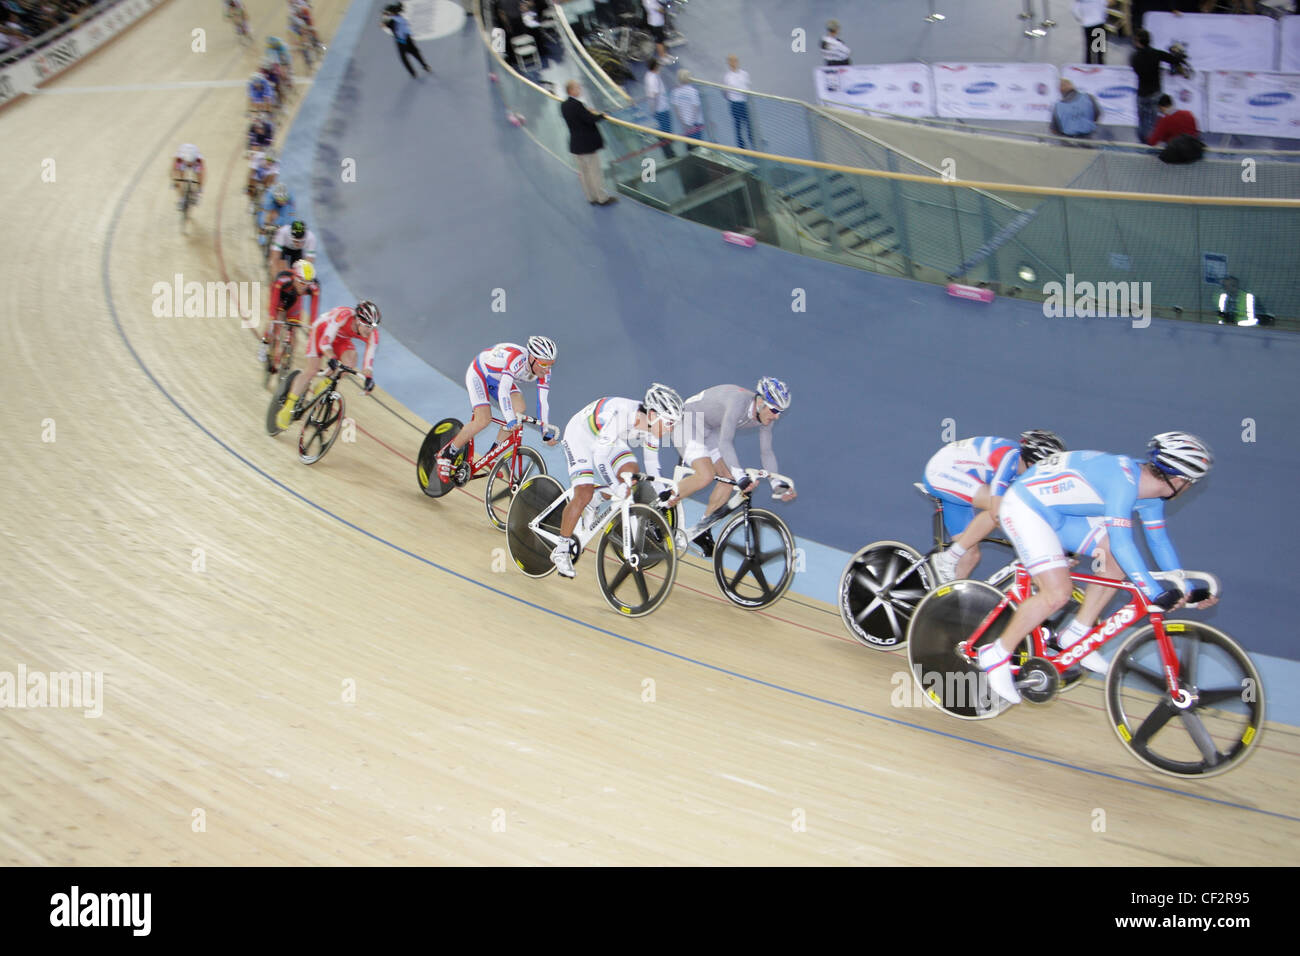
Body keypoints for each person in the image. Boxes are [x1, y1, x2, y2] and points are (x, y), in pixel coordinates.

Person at [980, 433, 1216, 705]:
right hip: (1024, 508)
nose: (1190, 488)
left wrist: (1183, 586)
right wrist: (1153, 592)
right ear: (1179, 480)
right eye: (1192, 483)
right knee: (1057, 593)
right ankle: (996, 654)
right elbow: (1122, 542)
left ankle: (1076, 634)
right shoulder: (1124, 484)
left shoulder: (1150, 494)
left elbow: (1159, 541)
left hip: (1059, 514)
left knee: (1114, 561)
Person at [644, 378, 795, 556]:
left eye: (780, 412)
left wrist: (776, 484)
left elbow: (767, 452)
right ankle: (655, 513)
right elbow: (725, 443)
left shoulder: (765, 416)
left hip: (710, 430)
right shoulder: (738, 402)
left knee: (728, 479)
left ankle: (702, 529)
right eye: (775, 410)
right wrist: (741, 477)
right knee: (706, 475)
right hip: (688, 421)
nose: (777, 416)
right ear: (761, 402)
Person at [550, 384, 685, 578]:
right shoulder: (621, 416)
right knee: (584, 492)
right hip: (580, 436)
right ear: (654, 415)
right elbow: (599, 458)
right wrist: (614, 486)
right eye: (670, 422)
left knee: (631, 474)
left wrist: (662, 493)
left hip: (605, 438)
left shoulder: (653, 428)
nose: (672, 428)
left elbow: (652, 464)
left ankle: (596, 501)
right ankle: (561, 550)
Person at [923, 431, 1067, 584]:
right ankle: (946, 559)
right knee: (1001, 508)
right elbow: (998, 510)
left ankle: (941, 599)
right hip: (942, 471)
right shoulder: (1010, 458)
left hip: (962, 479)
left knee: (970, 555)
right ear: (1031, 462)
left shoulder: (1029, 471)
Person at [435, 337, 561, 483]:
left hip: (499, 378)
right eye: (544, 364)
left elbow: (543, 402)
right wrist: (509, 419)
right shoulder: (517, 360)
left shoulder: (545, 372)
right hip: (480, 373)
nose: (547, 369)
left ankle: (492, 454)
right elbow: (504, 391)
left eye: (551, 365)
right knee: (483, 419)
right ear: (532, 358)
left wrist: (545, 431)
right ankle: (446, 454)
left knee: (519, 410)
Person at [275, 301, 381, 430]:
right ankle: (288, 407)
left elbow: (368, 362)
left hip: (341, 338)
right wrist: (332, 357)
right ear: (358, 320)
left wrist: (368, 378)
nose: (370, 330)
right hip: (322, 331)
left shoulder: (373, 334)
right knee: (312, 370)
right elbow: (325, 343)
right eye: (367, 326)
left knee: (350, 363)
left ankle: (323, 385)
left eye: (373, 327)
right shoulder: (343, 316)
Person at [257, 259, 321, 372]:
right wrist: (272, 317)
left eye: (308, 283)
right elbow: (273, 302)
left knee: (294, 330)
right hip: (280, 299)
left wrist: (312, 326)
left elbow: (314, 309)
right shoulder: (282, 279)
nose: (304, 287)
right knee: (274, 322)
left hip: (294, 302)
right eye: (302, 282)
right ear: (295, 277)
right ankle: (264, 344)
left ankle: (286, 359)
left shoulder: (314, 287)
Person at [561, 81, 617, 205]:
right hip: (587, 145)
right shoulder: (578, 105)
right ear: (571, 91)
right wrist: (602, 115)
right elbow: (590, 120)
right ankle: (602, 198)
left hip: (576, 145)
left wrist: (587, 111)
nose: (579, 89)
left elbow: (579, 118)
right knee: (595, 172)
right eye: (577, 88)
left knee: (585, 173)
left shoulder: (564, 105)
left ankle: (591, 197)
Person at [1130, 29, 1188, 145]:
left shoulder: (1134, 57)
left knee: (1141, 122)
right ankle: (1152, 144)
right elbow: (1175, 59)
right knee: (1153, 123)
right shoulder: (1156, 54)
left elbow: (1136, 69)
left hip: (1141, 94)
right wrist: (1177, 52)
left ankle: (1142, 144)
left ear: (1138, 41)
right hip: (1155, 93)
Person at [1148, 93, 1203, 163]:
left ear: (1161, 107)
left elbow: (1152, 142)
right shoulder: (1188, 114)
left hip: (1177, 156)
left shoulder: (1165, 120)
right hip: (1194, 153)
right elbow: (1195, 133)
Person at [382, 2, 431, 77]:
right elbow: (385, 24)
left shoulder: (397, 20)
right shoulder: (396, 21)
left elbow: (387, 23)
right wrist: (385, 17)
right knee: (410, 55)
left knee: (410, 55)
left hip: (404, 40)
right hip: (404, 40)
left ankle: (419, 69)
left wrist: (386, 15)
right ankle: (419, 69)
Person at [644, 59, 675, 159]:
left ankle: (669, 150)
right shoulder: (653, 78)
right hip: (661, 109)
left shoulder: (650, 76)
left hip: (660, 108)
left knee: (665, 131)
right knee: (665, 132)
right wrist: (654, 110)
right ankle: (669, 154)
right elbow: (654, 95)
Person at [722, 55, 755, 150]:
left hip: (744, 103)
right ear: (729, 63)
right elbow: (725, 91)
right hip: (735, 104)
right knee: (738, 125)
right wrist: (731, 99)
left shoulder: (744, 74)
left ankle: (753, 140)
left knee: (749, 123)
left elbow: (747, 86)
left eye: (735, 61)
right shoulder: (727, 77)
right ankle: (741, 145)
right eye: (731, 61)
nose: (733, 63)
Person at [257, 182, 296, 257]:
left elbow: (291, 215)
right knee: (269, 216)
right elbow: (263, 214)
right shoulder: (269, 198)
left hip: (285, 207)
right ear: (275, 198)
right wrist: (263, 227)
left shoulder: (290, 199)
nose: (282, 202)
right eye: (280, 200)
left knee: (285, 219)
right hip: (272, 205)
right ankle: (262, 234)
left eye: (284, 200)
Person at [670, 69, 705, 142]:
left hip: (684, 122)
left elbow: (677, 110)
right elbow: (696, 108)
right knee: (698, 144)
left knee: (688, 142)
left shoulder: (675, 92)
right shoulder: (693, 91)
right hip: (695, 123)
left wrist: (683, 123)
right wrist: (692, 123)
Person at [1072, 0, 1108, 64]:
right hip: (1099, 24)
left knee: (1088, 49)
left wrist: (1083, 21)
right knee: (1100, 51)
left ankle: (1088, 67)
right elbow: (1104, 7)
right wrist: (1103, 18)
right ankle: (1101, 68)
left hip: (1087, 25)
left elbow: (1075, 11)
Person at [172, 144, 204, 209]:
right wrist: (174, 181)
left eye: (190, 163)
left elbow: (203, 173)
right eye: (188, 162)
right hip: (183, 160)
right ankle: (182, 199)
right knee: (179, 178)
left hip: (194, 161)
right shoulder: (179, 158)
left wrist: (200, 186)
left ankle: (198, 193)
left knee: (199, 174)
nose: (189, 165)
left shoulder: (198, 159)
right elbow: (173, 170)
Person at [643, 0, 671, 65]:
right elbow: (661, 10)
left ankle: (665, 54)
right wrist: (665, 8)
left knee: (661, 39)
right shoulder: (648, 1)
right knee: (659, 41)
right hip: (655, 23)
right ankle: (662, 58)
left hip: (658, 22)